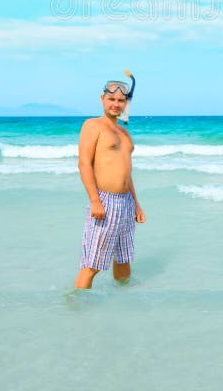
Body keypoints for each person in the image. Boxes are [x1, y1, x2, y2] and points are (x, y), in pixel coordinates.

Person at [74, 71, 146, 289]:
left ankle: (123, 303)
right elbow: (84, 164)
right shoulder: (93, 125)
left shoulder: (125, 133)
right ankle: (76, 309)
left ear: (126, 103)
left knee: (124, 259)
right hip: (105, 201)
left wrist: (136, 204)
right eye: (111, 99)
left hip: (125, 202)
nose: (116, 104)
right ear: (102, 99)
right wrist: (95, 201)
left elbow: (126, 172)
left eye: (121, 100)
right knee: (92, 263)